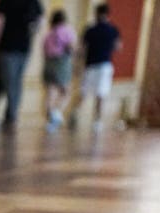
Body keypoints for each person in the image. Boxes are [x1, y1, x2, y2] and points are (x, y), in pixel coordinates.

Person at [0, 0, 44, 130]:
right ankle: (11, 115)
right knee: (14, 82)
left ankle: (11, 115)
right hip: (20, 47)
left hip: (9, 47)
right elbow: (40, 21)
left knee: (11, 81)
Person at [69, 3, 122, 132]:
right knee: (100, 95)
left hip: (91, 65)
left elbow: (81, 49)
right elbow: (118, 47)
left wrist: (76, 64)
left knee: (84, 92)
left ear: (97, 13)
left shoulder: (90, 29)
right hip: (104, 65)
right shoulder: (113, 30)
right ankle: (97, 122)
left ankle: (75, 114)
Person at [42, 9, 76, 131]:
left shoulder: (48, 34)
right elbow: (71, 48)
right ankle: (56, 112)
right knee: (66, 91)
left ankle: (49, 119)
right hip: (62, 63)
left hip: (49, 63)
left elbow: (44, 51)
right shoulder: (67, 31)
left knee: (50, 92)